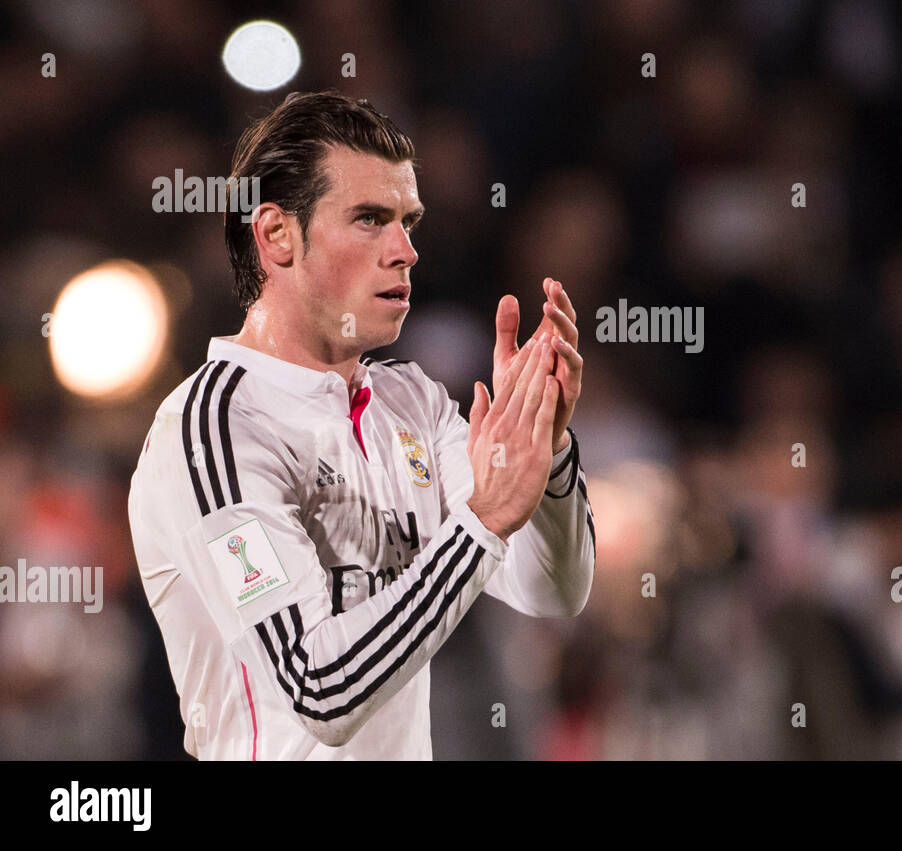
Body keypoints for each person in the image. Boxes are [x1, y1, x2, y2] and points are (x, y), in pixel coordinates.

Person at [128, 91, 594, 759]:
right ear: (276, 235)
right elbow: (320, 689)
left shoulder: (413, 403)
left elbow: (551, 588)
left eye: (409, 221)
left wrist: (545, 457)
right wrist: (482, 521)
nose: (405, 249)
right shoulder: (215, 428)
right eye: (370, 219)